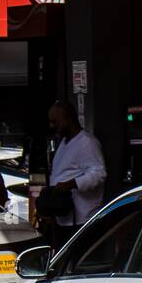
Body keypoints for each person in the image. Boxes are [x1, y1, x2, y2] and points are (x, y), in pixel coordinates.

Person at [46, 100, 107, 242]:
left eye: (55, 122)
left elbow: (99, 173)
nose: (52, 126)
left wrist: (72, 184)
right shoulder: (64, 143)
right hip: (64, 218)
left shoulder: (86, 142)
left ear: (67, 119)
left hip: (81, 220)